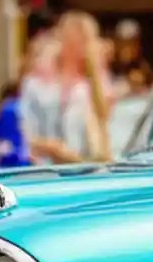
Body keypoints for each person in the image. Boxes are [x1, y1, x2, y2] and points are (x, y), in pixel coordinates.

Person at [18, 12, 111, 164]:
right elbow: (23, 132)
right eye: (70, 39)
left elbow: (103, 136)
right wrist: (51, 147)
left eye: (82, 40)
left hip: (83, 171)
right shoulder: (36, 84)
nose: (75, 47)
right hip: (40, 170)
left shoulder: (92, 86)